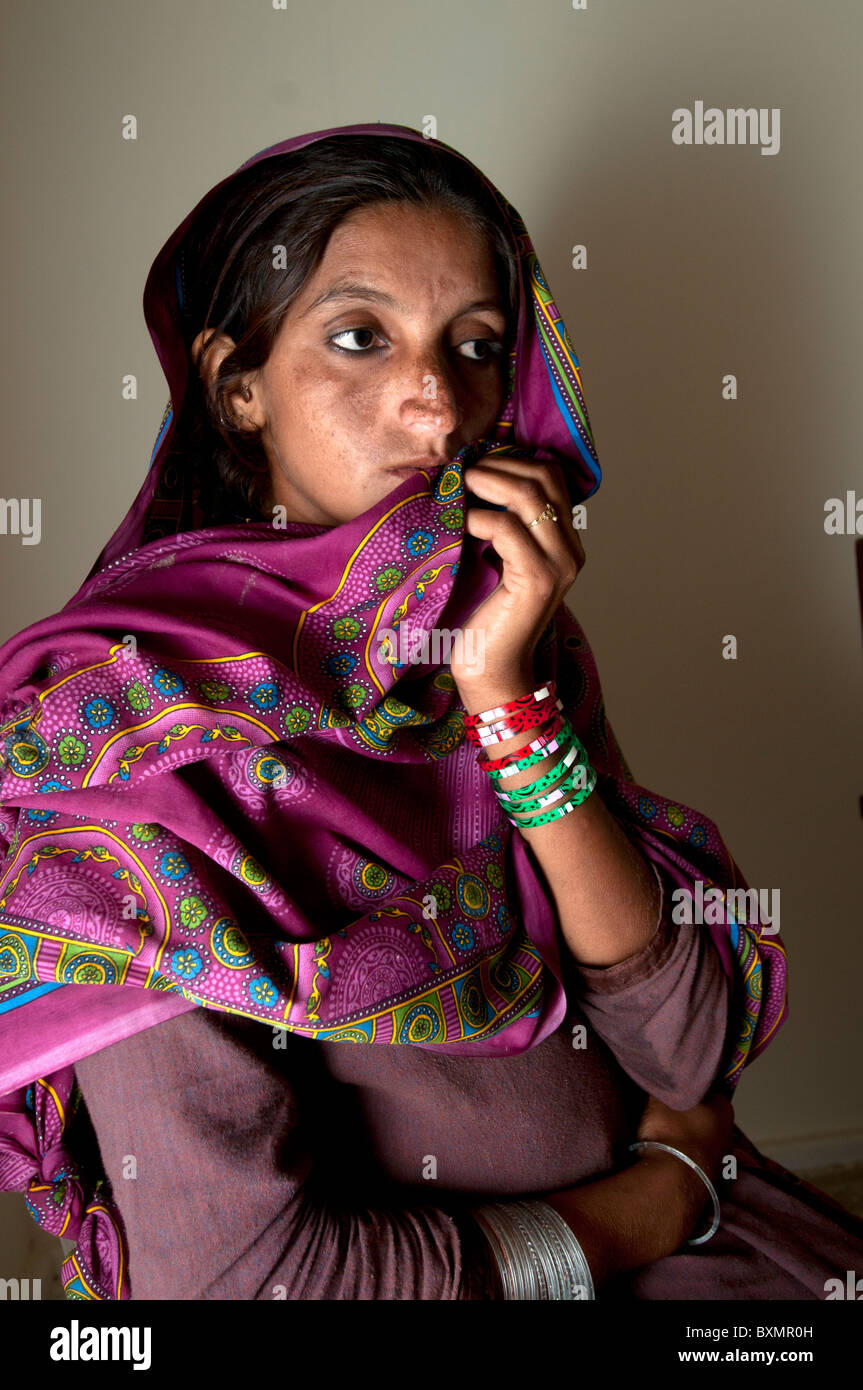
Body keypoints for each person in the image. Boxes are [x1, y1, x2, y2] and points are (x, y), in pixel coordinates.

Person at [0, 123, 861, 1302]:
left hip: (692, 1231)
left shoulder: (498, 630)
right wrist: (647, 1199)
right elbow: (247, 1285)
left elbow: (686, 1045)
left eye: (476, 346)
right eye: (360, 337)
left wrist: (507, 703)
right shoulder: (121, 731)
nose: (434, 400)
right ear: (234, 385)